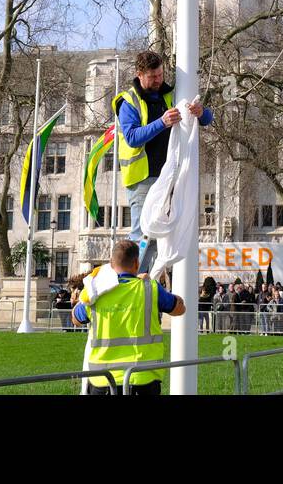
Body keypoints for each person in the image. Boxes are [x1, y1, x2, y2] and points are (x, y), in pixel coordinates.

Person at [113, 50, 212, 273]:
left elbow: (207, 119)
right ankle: (130, 281)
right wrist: (162, 122)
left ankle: (148, 283)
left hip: (170, 175)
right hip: (142, 178)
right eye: (153, 77)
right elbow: (132, 137)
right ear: (140, 75)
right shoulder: (128, 101)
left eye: (160, 75)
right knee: (144, 233)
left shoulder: (170, 93)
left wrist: (200, 112)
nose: (158, 80)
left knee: (163, 234)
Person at [71, 239, 185, 395]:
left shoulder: (96, 293)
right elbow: (179, 309)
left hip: (103, 380)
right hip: (142, 378)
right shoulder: (150, 288)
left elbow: (75, 319)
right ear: (137, 263)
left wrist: (90, 288)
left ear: (111, 264)